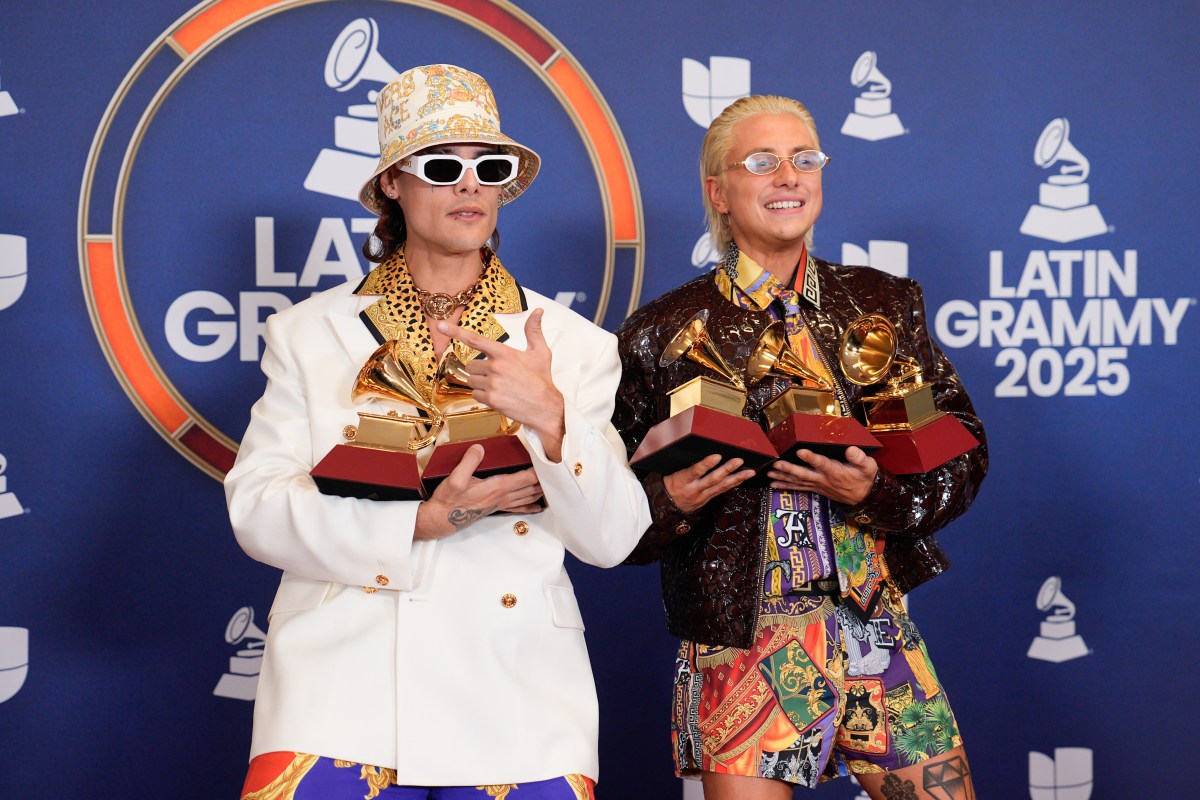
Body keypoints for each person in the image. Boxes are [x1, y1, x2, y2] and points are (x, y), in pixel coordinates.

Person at [225, 64, 651, 800]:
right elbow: (257, 509)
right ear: (392, 181)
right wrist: (416, 525)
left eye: (488, 168)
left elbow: (614, 539)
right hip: (337, 692)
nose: (469, 186)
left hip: (520, 701)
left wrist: (551, 418)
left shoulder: (574, 345)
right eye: (441, 166)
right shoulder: (306, 334)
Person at [614, 95, 987, 799]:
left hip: (876, 632)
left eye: (804, 159)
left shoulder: (885, 303)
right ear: (718, 192)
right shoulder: (658, 333)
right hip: (742, 643)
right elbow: (607, 517)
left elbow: (962, 454)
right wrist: (669, 503)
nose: (788, 176)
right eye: (762, 162)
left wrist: (871, 493)